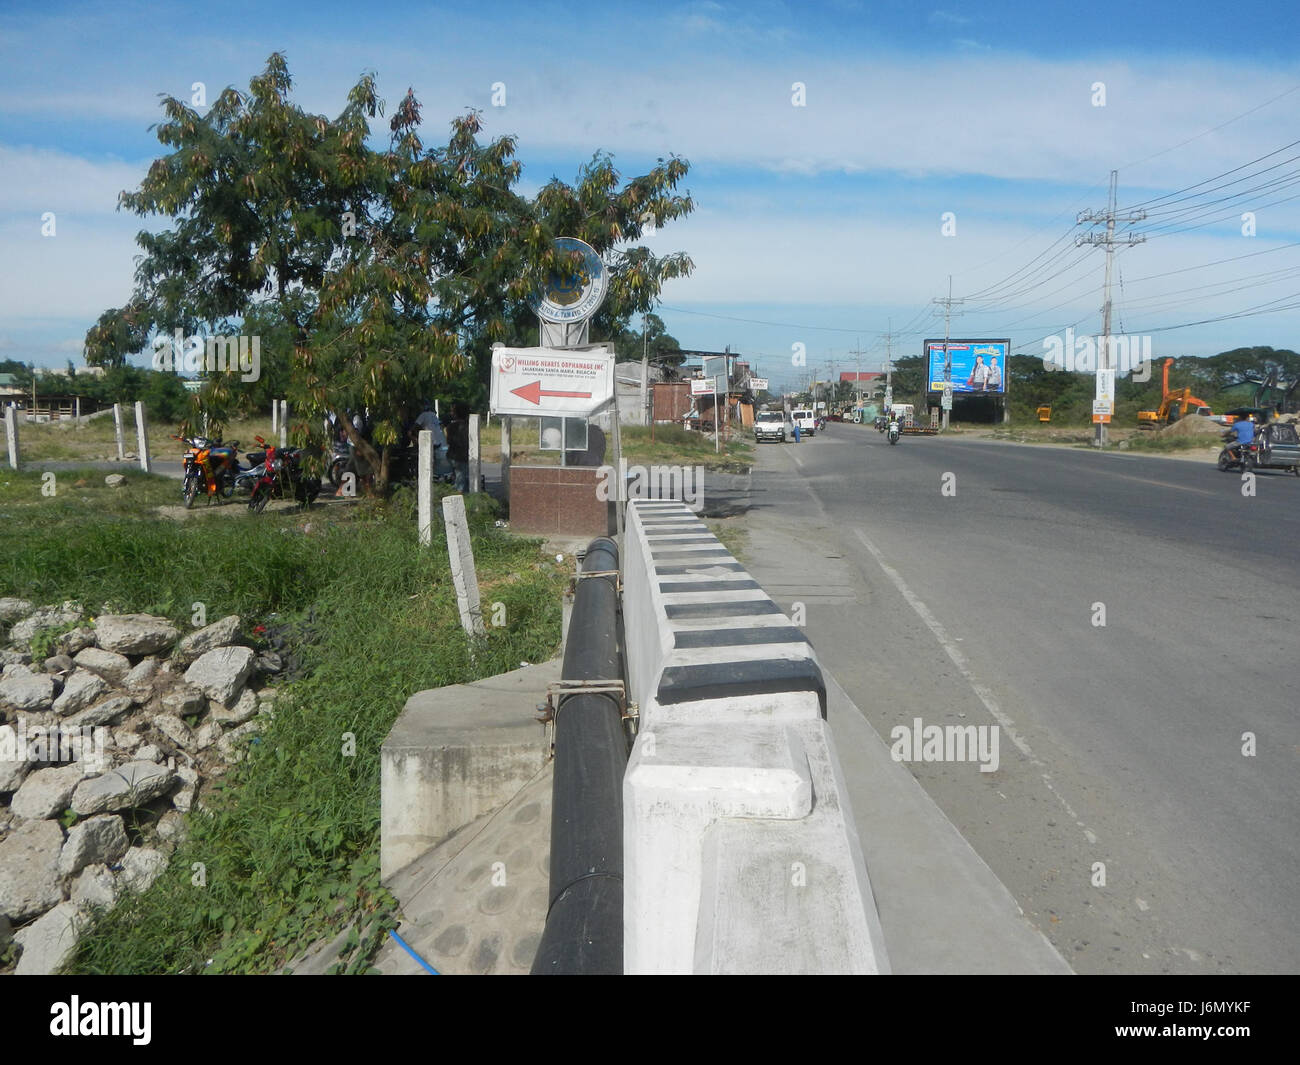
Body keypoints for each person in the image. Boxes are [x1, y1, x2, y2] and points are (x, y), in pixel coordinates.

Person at [446, 403, 471, 492]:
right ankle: (461, 500)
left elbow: (448, 441)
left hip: (452, 455)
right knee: (461, 482)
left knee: (458, 479)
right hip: (462, 456)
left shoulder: (450, 427)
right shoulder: (468, 426)